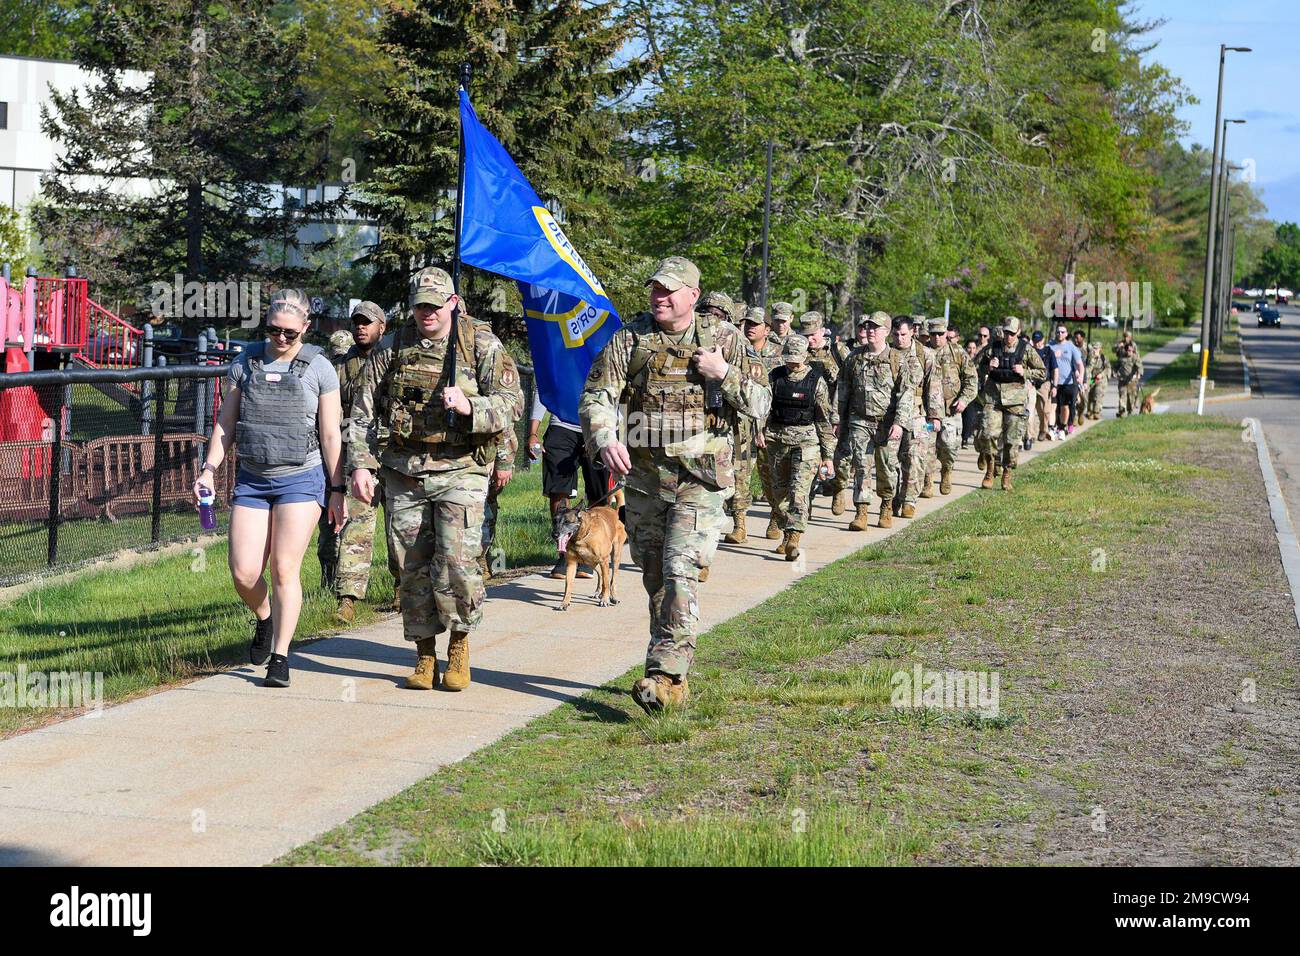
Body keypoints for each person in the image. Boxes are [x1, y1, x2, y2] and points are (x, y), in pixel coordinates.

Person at [580, 256, 770, 713]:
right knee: (655, 576)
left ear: (693, 296)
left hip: (700, 481)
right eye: (655, 290)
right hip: (646, 482)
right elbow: (596, 396)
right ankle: (669, 668)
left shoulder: (725, 340)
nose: (659, 297)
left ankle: (666, 675)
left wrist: (724, 375)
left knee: (680, 570)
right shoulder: (631, 338)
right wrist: (605, 436)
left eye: (669, 290)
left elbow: (763, 402)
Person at [348, 266, 524, 693]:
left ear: (452, 302)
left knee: (457, 562)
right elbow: (364, 412)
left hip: (462, 468)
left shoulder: (479, 342)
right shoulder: (393, 347)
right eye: (419, 305)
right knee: (410, 566)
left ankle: (460, 644)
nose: (426, 312)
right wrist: (361, 465)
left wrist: (470, 407)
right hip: (405, 470)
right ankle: (424, 652)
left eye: (434, 304)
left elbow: (512, 404)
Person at [194, 288, 345, 688]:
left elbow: (331, 435)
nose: (281, 338)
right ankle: (265, 617)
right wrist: (209, 468)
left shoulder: (319, 368)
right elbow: (225, 424)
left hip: (302, 475)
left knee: (283, 568)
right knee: (244, 573)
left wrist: (338, 488)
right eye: (274, 330)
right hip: (253, 479)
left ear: (305, 329)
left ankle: (280, 656)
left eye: (290, 333)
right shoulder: (245, 363)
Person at [317, 301, 401, 625]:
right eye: (356, 322)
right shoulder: (342, 366)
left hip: (394, 455)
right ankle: (347, 599)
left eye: (367, 322)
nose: (360, 327)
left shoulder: (395, 360)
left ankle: (401, 588)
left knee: (399, 528)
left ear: (383, 326)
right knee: (357, 526)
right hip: (357, 453)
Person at [837, 311, 915, 530]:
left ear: (886, 332)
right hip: (859, 420)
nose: (870, 331)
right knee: (861, 465)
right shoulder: (854, 357)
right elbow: (843, 389)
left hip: (887, 424)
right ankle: (861, 512)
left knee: (886, 468)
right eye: (868, 327)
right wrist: (838, 419)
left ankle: (886, 506)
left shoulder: (897, 360)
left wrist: (899, 423)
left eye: (876, 328)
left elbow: (905, 394)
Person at [764, 334, 835, 561]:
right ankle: (787, 531)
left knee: (799, 492)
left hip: (806, 443)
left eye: (797, 358)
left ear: (805, 356)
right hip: (777, 441)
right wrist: (758, 432)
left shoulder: (816, 381)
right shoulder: (774, 377)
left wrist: (828, 455)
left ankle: (794, 537)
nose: (792, 363)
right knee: (779, 494)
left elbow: (823, 420)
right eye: (789, 358)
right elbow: (763, 408)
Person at [527, 387, 608, 579]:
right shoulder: (558, 356)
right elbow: (543, 388)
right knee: (559, 490)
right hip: (562, 426)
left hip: (597, 426)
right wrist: (532, 433)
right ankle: (565, 554)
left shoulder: (603, 357)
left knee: (599, 492)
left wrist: (607, 431)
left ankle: (592, 552)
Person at [728, 302, 783, 544]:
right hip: (740, 425)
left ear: (767, 329)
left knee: (771, 475)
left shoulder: (779, 356)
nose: (749, 327)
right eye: (746, 322)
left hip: (769, 426)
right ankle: (739, 525)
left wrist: (767, 426)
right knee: (740, 475)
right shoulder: (735, 350)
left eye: (754, 323)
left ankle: (775, 516)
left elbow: (779, 395)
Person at [974, 317, 1045, 491]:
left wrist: (1025, 372)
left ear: (1018, 332)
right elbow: (974, 365)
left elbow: (1043, 373)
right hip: (994, 398)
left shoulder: (1026, 350)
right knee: (987, 433)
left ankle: (1006, 473)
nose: (1009, 337)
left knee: (1011, 441)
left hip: (1015, 402)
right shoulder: (993, 347)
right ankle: (990, 469)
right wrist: (987, 367)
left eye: (1012, 333)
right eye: (1006, 333)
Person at [893, 315, 943, 518]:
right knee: (893, 462)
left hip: (917, 415)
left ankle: (909, 501)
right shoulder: (887, 354)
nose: (900, 339)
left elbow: (934, 385)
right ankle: (894, 498)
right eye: (895, 335)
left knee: (915, 458)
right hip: (892, 415)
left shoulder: (925, 354)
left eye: (903, 334)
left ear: (913, 331)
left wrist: (935, 415)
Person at [799, 311, 848, 513]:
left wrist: (840, 415)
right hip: (809, 415)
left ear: (822, 331)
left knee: (840, 460)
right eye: (806, 335)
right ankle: (805, 505)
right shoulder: (800, 351)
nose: (810, 339)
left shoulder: (838, 351)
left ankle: (838, 488)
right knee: (808, 461)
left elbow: (848, 383)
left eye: (813, 335)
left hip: (834, 415)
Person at [924, 315, 976, 495]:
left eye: (940, 333)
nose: (936, 337)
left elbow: (971, 379)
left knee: (948, 446)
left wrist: (964, 399)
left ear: (946, 333)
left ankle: (946, 469)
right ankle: (927, 481)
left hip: (950, 410)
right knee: (927, 448)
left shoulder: (958, 353)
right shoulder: (922, 352)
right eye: (933, 334)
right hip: (926, 412)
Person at [1049, 324, 1084, 437]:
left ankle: (1063, 426)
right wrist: (1054, 355)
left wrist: (1081, 376)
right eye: (1058, 332)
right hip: (1053, 382)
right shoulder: (1050, 345)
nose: (1060, 334)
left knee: (1065, 406)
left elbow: (1080, 364)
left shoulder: (1070, 346)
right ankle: (1052, 428)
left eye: (1063, 332)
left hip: (1067, 383)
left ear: (1067, 333)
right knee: (1053, 407)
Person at [1029, 329, 1057, 444]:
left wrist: (1054, 386)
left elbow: (1055, 369)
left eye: (1039, 341)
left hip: (1044, 384)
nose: (1037, 343)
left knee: (1044, 410)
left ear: (1043, 340)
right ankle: (1031, 435)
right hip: (1032, 383)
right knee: (1030, 410)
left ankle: (1043, 429)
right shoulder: (1029, 351)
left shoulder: (1049, 351)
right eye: (1035, 341)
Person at [961, 337, 981, 448]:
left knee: (972, 416)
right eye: (969, 347)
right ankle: (964, 437)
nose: (971, 350)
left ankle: (967, 437)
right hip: (964, 390)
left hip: (977, 392)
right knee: (966, 415)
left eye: (974, 348)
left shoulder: (979, 361)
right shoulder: (962, 358)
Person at [1113, 341, 1143, 417]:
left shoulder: (1135, 358)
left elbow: (1140, 367)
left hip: (1132, 381)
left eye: (1131, 351)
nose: (1130, 352)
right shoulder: (1122, 358)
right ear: (1126, 350)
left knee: (1131, 398)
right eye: (1128, 350)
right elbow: (1116, 366)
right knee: (1122, 395)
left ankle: (1130, 411)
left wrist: (1139, 374)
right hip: (1122, 380)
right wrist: (1114, 372)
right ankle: (1122, 411)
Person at [1085, 341, 1110, 419]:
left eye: (1096, 348)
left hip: (1100, 379)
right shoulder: (1089, 357)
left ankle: (1096, 411)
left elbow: (1108, 368)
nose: (1094, 350)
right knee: (1090, 394)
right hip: (1092, 379)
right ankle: (1090, 411)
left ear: (1100, 349)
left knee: (1098, 392)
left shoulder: (1103, 357)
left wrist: (1101, 374)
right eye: (1093, 348)